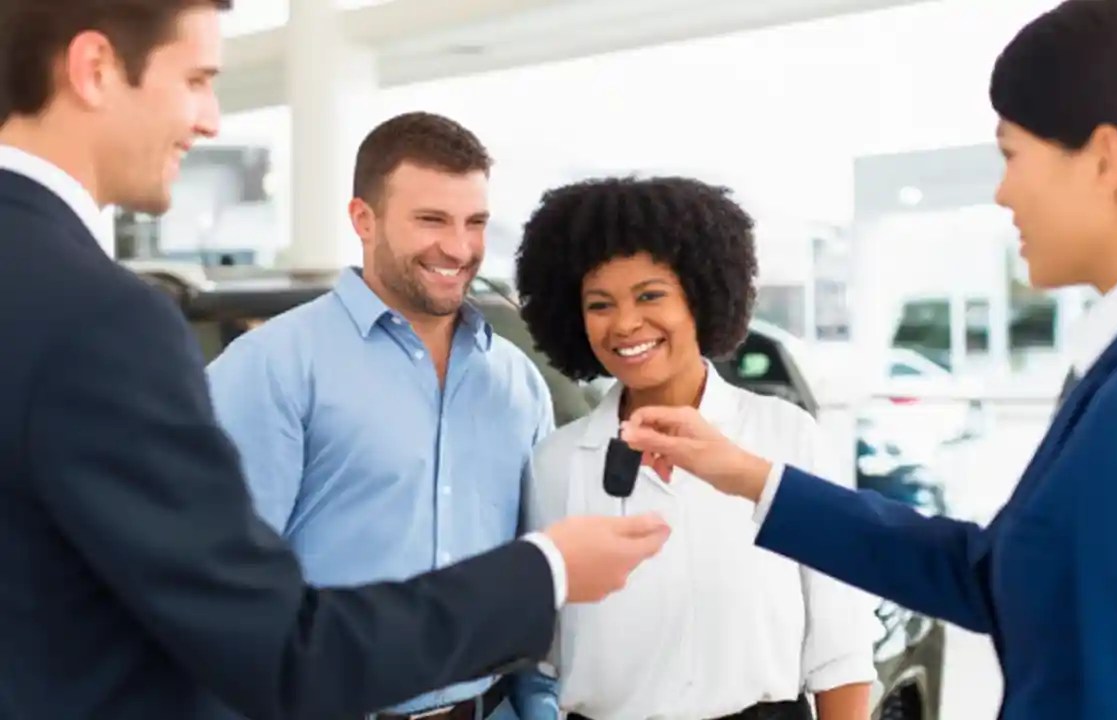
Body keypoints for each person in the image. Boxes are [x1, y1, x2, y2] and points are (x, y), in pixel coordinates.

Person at [0, 2, 669, 719]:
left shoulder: (515, 380)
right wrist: (550, 569)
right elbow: (251, 637)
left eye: (473, 222)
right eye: (196, 78)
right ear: (94, 69)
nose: (210, 119)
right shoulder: (139, 328)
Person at [622, 1, 1117, 719]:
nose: (1002, 191)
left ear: (1106, 161)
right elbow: (994, 576)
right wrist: (748, 476)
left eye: (1012, 154)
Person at [206, 111, 561, 720]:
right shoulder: (270, 367)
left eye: (473, 222)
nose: (458, 247)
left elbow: (536, 576)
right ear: (362, 220)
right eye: (431, 220)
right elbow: (218, 596)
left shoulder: (518, 382)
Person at [515, 176, 878, 720]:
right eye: (600, 304)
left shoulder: (787, 437)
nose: (626, 323)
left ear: (702, 294)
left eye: (650, 295)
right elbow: (539, 657)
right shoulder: (557, 464)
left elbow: (842, 649)